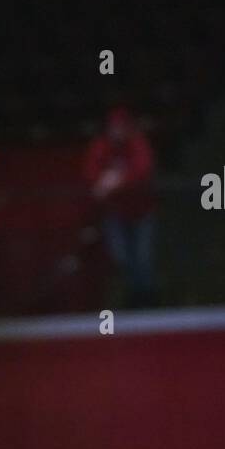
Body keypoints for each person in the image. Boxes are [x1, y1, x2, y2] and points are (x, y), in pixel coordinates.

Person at [82, 107, 157, 307]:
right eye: (114, 127)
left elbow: (143, 169)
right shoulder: (101, 146)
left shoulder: (137, 142)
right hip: (115, 213)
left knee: (142, 257)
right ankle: (131, 297)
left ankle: (147, 299)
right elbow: (91, 173)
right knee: (120, 256)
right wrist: (103, 181)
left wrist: (117, 181)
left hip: (142, 212)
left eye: (121, 127)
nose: (117, 131)